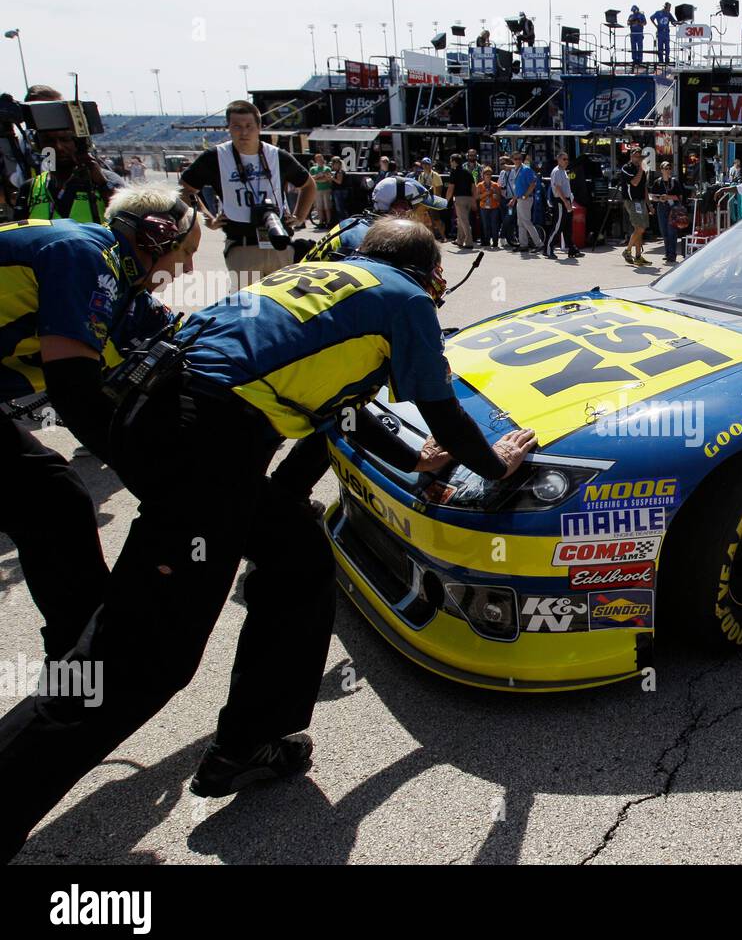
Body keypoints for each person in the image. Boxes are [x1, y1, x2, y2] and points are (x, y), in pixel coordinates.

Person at [0, 218, 537, 863]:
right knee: (141, 662)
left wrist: (412, 459)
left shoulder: (316, 278)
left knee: (299, 557)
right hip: (206, 443)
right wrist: (494, 466)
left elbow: (340, 408)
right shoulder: (406, 296)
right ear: (432, 273)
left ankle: (251, 741)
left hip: (169, 418)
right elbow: (441, 405)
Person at [0, 183, 197, 665]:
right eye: (185, 253)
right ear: (155, 236)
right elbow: (75, 392)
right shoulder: (83, 255)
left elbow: (175, 342)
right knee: (51, 497)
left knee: (46, 496)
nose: (189, 268)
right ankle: (86, 652)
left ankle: (87, 642)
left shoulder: (111, 267)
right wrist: (154, 482)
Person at [180, 100, 314, 288]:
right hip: (241, 246)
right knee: (249, 308)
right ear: (228, 128)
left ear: (259, 127)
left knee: (284, 309)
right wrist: (208, 219)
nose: (244, 132)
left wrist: (300, 216)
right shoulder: (215, 157)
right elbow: (185, 189)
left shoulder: (277, 156)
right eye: (237, 126)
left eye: (249, 126)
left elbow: (308, 185)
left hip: (280, 245)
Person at [13, 107, 124, 223]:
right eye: (48, 141)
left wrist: (103, 184)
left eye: (65, 139)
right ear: (38, 146)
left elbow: (128, 219)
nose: (58, 147)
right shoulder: (29, 188)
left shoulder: (108, 180)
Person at [305, 175, 446, 262]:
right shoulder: (371, 246)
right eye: (425, 213)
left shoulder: (353, 225)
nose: (428, 221)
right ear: (401, 211)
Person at [545, 152, 582, 259]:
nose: (566, 161)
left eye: (567, 159)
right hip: (561, 201)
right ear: (559, 160)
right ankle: (548, 249)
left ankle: (571, 249)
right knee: (558, 226)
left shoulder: (563, 171)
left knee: (567, 227)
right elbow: (557, 188)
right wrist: (565, 202)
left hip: (567, 200)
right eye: (564, 159)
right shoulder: (557, 171)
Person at [649, 159, 686, 264]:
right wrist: (659, 199)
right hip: (662, 207)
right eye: (666, 168)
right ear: (661, 170)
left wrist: (668, 196)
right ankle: (667, 253)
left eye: (669, 168)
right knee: (664, 231)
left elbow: (679, 197)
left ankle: (672, 255)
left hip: (672, 208)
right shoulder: (657, 182)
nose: (668, 170)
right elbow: (652, 196)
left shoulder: (674, 181)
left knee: (672, 232)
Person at [620, 148, 651, 265]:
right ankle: (627, 250)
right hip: (631, 201)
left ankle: (638, 256)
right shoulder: (626, 168)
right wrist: (641, 170)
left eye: (640, 156)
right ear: (631, 157)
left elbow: (644, 188)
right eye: (636, 156)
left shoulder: (641, 170)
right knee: (640, 228)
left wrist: (649, 204)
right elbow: (635, 182)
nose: (638, 159)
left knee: (639, 229)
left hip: (641, 202)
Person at [509, 150, 544, 253]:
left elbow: (533, 183)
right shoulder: (516, 170)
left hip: (525, 199)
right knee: (520, 223)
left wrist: (525, 195)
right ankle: (523, 244)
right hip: (520, 199)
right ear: (512, 160)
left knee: (526, 222)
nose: (518, 160)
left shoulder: (526, 169)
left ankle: (539, 244)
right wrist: (514, 199)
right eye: (516, 159)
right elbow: (518, 188)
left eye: (520, 158)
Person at [446, 153, 476, 249]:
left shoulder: (454, 172)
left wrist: (446, 200)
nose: (450, 163)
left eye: (451, 161)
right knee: (460, 220)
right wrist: (474, 200)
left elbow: (451, 188)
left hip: (459, 198)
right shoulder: (467, 172)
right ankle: (459, 240)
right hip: (469, 198)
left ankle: (469, 242)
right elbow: (473, 187)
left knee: (463, 220)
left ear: (454, 162)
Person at [476, 166, 504, 249]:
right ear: (483, 175)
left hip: (494, 207)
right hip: (483, 207)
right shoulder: (480, 185)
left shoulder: (496, 185)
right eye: (486, 174)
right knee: (485, 225)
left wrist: (496, 197)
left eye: (489, 174)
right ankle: (487, 241)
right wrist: (486, 194)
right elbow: (477, 197)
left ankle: (495, 242)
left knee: (494, 224)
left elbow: (499, 198)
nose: (487, 175)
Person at [308, 153, 334, 229]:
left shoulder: (327, 168)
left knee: (327, 207)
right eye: (318, 159)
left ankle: (329, 222)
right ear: (316, 160)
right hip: (317, 190)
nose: (320, 160)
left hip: (326, 189)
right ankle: (321, 222)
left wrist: (318, 179)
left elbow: (328, 179)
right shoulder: (313, 169)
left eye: (321, 158)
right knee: (319, 207)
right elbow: (311, 178)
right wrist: (318, 176)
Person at [329, 156, 349, 222]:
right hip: (339, 191)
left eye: (334, 164)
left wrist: (332, 178)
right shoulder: (338, 171)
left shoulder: (340, 172)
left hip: (339, 191)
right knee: (341, 208)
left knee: (340, 208)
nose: (333, 166)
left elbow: (339, 182)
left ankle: (343, 222)